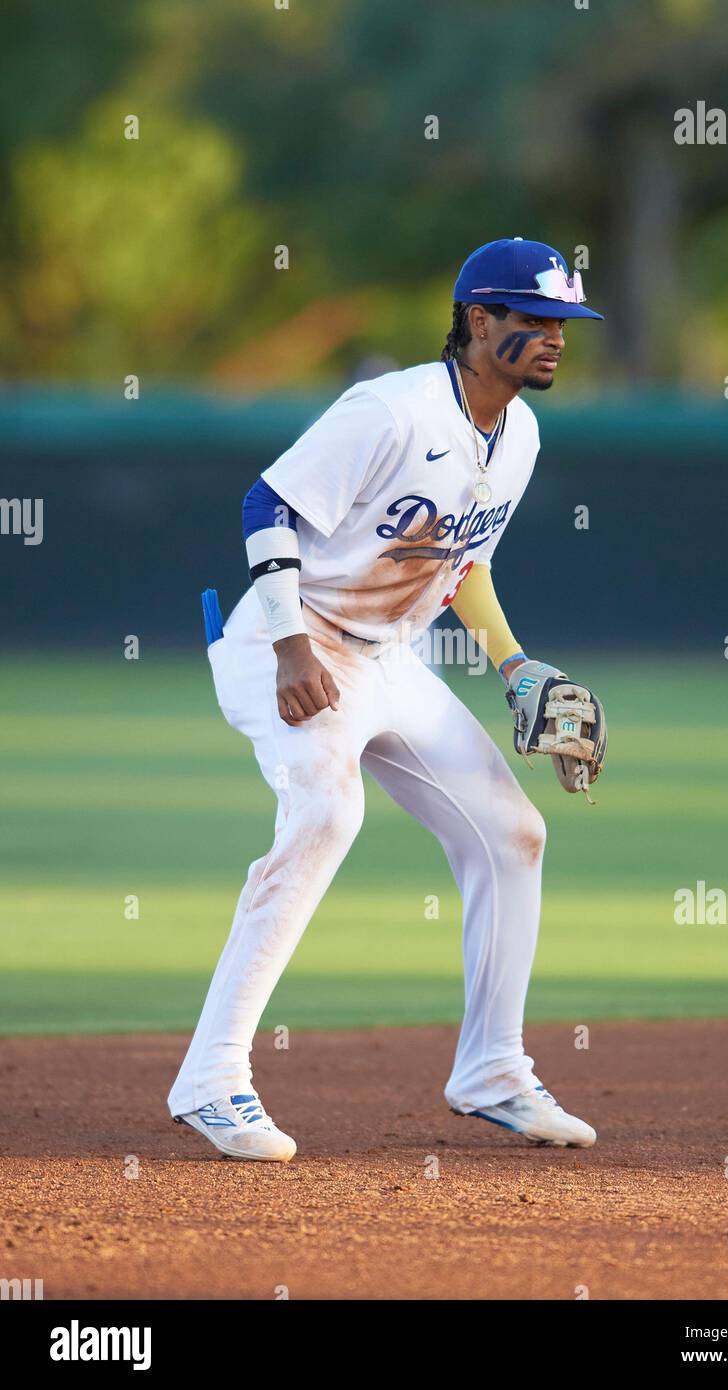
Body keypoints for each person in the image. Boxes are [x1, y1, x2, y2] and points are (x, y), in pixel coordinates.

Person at [168, 237, 604, 1160]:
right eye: (536, 320)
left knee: (515, 833)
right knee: (327, 814)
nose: (556, 337)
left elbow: (463, 568)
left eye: (564, 322)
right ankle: (212, 1079)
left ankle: (492, 1071)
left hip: (392, 657)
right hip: (287, 639)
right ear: (479, 321)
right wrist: (290, 648)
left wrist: (516, 666)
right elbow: (265, 505)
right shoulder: (392, 408)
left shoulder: (518, 434)